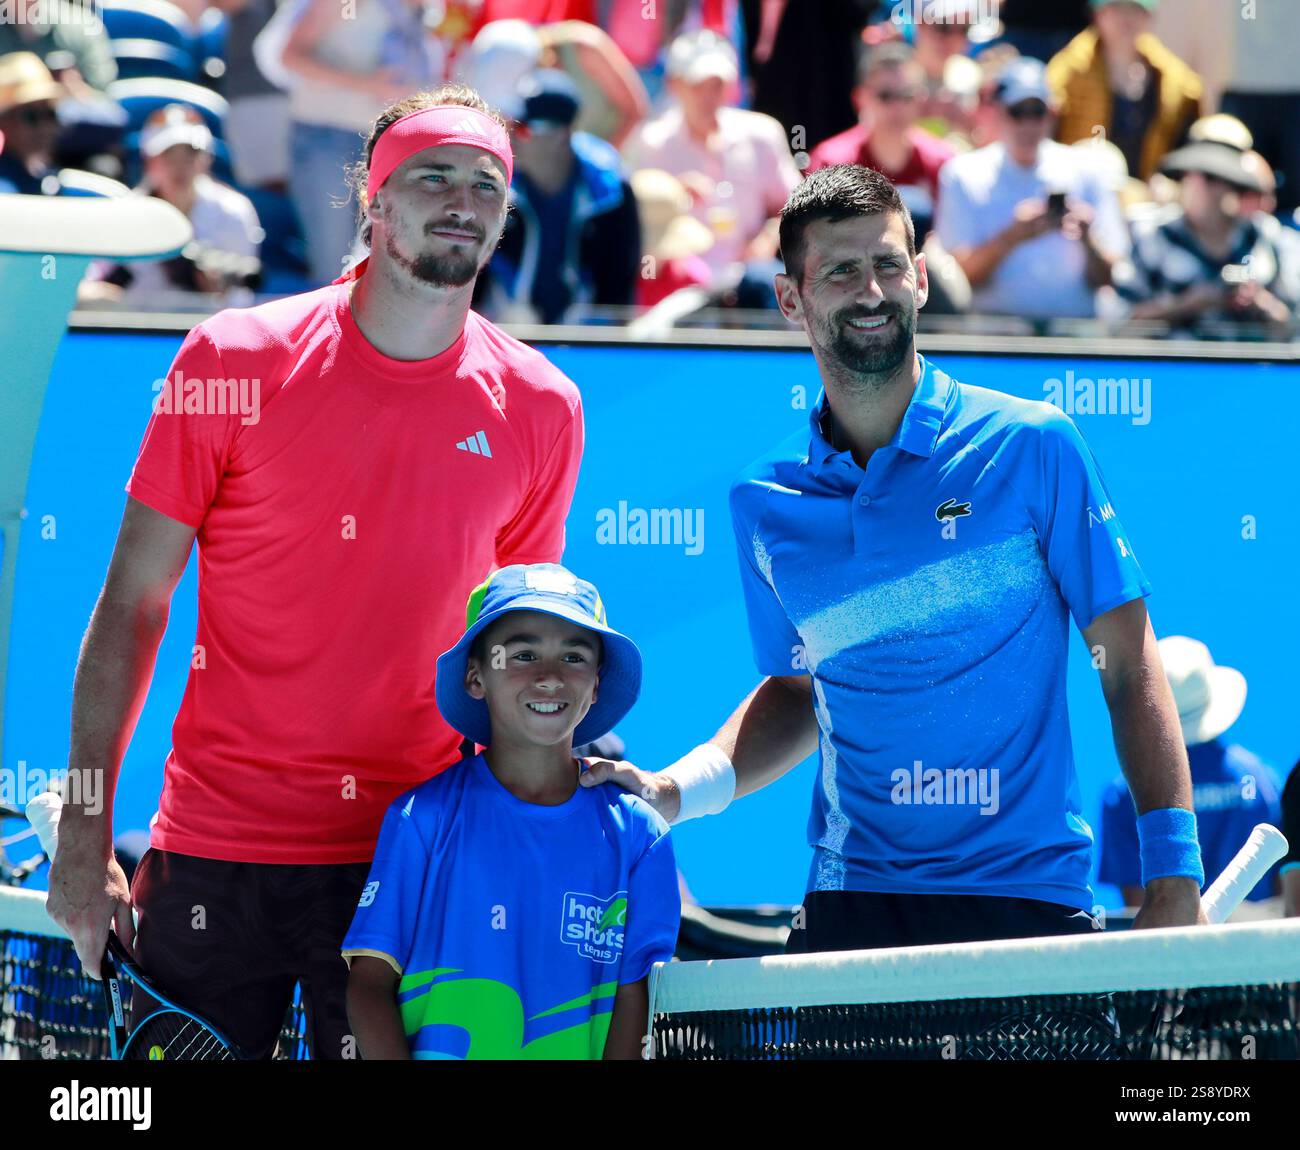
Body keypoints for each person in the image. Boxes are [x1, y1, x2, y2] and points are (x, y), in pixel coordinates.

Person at [44, 86, 585, 1060]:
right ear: (374, 202)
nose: (462, 199)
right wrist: (86, 834)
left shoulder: (545, 405)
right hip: (215, 853)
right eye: (433, 177)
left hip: (414, 861)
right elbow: (132, 603)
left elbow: (519, 655)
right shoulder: (231, 359)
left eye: (487, 184)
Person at [584, 163, 1206, 952]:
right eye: (841, 271)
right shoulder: (762, 502)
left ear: (918, 278)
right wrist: (676, 792)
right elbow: (800, 688)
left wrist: (1174, 875)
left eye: (887, 265)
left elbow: (1125, 661)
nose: (871, 291)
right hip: (851, 904)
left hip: (1026, 899)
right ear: (790, 299)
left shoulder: (1034, 444)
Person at [343, 564, 680, 1059]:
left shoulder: (640, 837)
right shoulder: (420, 820)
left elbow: (636, 1002)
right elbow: (368, 988)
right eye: (522, 654)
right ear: (476, 676)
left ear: (597, 685)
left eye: (573, 656)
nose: (549, 676)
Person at [936, 57, 1130, 320]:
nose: (1027, 124)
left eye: (1036, 112)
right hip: (995, 338)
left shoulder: (1088, 171)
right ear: (999, 112)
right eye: (1018, 112)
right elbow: (957, 280)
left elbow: (1112, 277)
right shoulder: (962, 174)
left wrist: (1087, 238)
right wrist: (1012, 236)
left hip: (1074, 337)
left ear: (1052, 112)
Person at [1099, 637, 1284, 908]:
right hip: (1254, 944)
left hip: (1172, 945)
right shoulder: (1261, 779)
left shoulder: (1123, 795)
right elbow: (1284, 888)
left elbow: (1138, 908)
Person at [623, 29, 800, 295]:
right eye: (697, 85)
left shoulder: (762, 134)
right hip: (677, 283)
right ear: (674, 85)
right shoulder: (651, 142)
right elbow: (635, 224)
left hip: (749, 281)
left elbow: (793, 206)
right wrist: (671, 193)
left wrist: (765, 240)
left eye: (716, 84)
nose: (708, 95)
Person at [476, 69, 640, 324]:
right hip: (502, 338)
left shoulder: (613, 192)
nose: (509, 137)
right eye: (506, 125)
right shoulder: (491, 183)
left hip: (586, 348)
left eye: (524, 128)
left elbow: (617, 293)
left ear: (561, 134)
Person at [1115, 119, 1298, 337]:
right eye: (1203, 175)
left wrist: (1260, 303)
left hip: (1251, 369)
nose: (1211, 189)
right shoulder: (1152, 235)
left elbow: (1293, 327)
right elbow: (1122, 324)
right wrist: (1187, 304)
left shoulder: (1267, 236)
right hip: (1172, 368)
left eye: (1221, 179)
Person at [87, 105, 263, 304]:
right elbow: (89, 285)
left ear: (206, 160)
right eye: (169, 156)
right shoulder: (123, 215)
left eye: (190, 155)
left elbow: (240, 301)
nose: (180, 167)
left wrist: (214, 289)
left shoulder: (233, 212)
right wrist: (114, 296)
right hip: (136, 329)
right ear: (150, 162)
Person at [807, 42, 955, 245]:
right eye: (886, 96)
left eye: (907, 95)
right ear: (860, 98)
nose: (897, 107)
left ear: (921, 99)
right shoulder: (831, 162)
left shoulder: (943, 161)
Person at [1046, 0, 1202, 183]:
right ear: (1098, 14)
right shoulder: (1066, 73)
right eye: (1117, 8)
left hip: (1145, 200)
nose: (1126, 19)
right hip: (1081, 193)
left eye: (1136, 9)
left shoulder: (1176, 81)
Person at [0, 52, 64, 195]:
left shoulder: (48, 176)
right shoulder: (4, 190)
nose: (45, 127)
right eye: (31, 116)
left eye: (50, 114)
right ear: (3, 121)